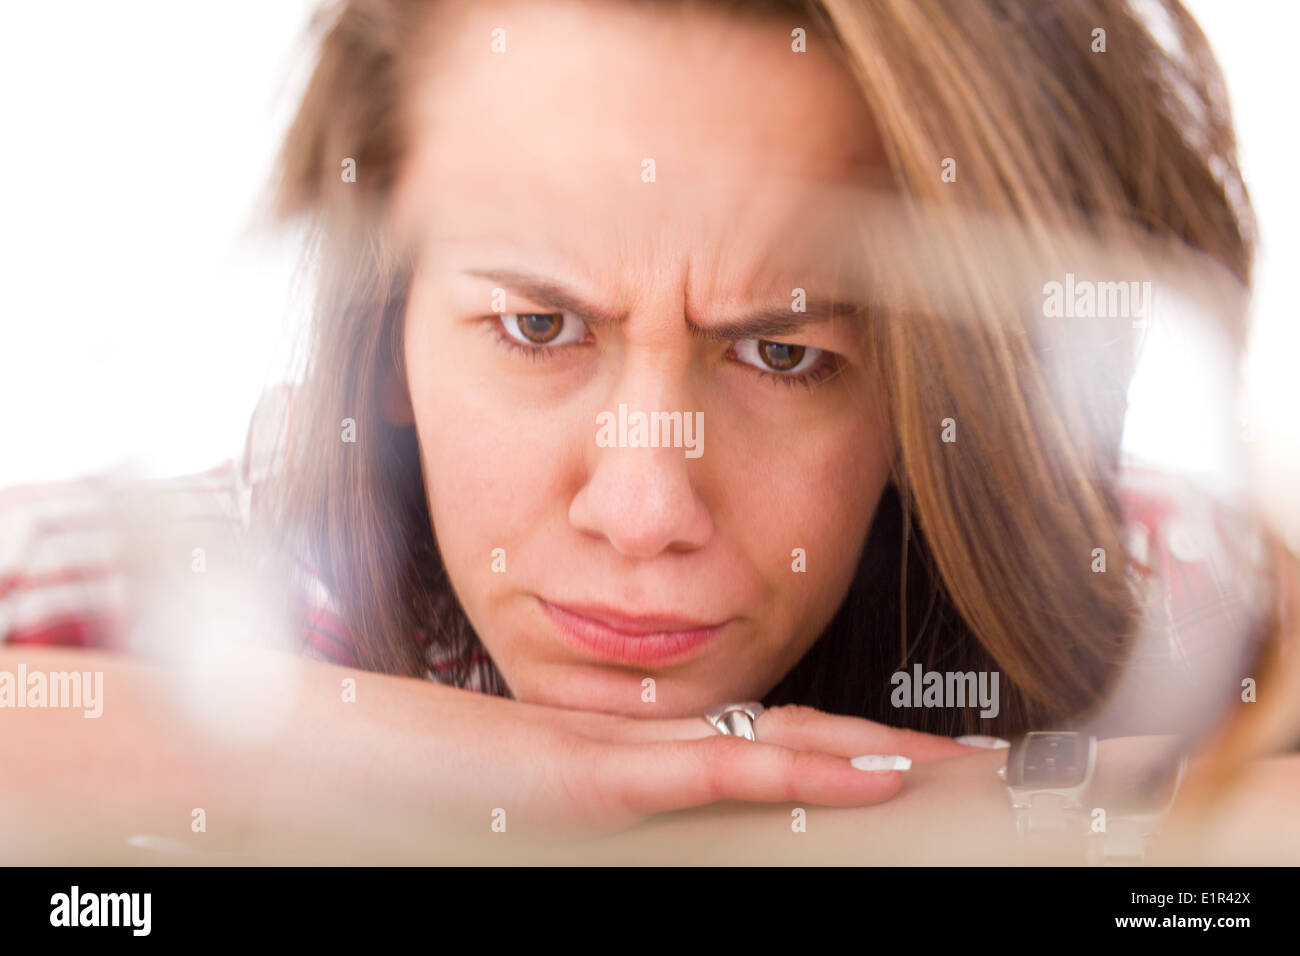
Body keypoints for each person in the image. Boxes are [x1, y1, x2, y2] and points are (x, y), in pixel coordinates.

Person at [1, 0, 1294, 864]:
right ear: (377, 326)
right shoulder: (104, 583)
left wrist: (976, 810)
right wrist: (530, 771)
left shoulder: (1131, 581)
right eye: (537, 329)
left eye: (785, 354)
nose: (643, 509)